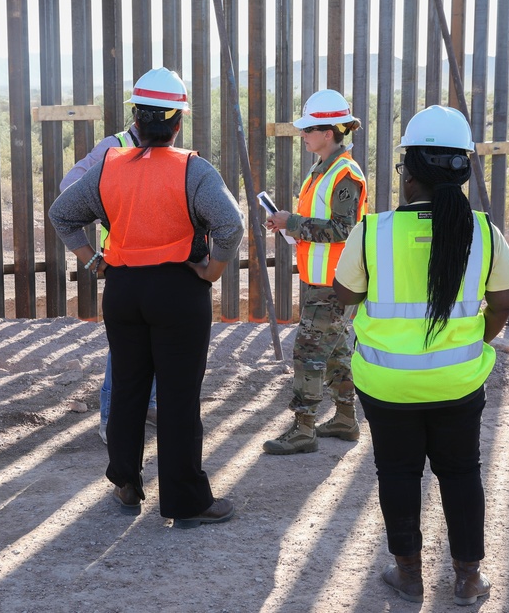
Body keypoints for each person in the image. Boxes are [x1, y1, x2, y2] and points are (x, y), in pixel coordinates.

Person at [332, 105, 509, 605]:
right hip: (458, 382)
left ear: (409, 172)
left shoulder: (373, 232)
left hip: (386, 384)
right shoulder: (483, 231)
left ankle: (408, 574)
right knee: (461, 474)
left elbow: (345, 296)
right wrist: (477, 340)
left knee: (396, 473)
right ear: (461, 171)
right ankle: (467, 578)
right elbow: (505, 300)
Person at [48, 67, 244, 528]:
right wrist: (212, 269)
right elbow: (230, 225)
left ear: (135, 118)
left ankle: (125, 483)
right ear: (178, 122)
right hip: (177, 292)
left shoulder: (108, 167)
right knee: (178, 397)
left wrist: (92, 260)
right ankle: (185, 501)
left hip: (122, 291)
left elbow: (62, 214)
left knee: (129, 389)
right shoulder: (193, 168)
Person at [262, 89, 367, 455]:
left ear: (330, 131)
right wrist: (290, 224)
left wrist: (292, 221)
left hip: (333, 282)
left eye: (309, 129)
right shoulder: (322, 169)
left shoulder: (345, 173)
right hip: (320, 279)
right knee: (336, 352)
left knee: (309, 353)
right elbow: (317, 223)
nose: (303, 134)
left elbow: (343, 228)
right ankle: (345, 419)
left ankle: (303, 428)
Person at [60, 114, 157, 445]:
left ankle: (151, 406)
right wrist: (109, 206)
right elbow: (69, 188)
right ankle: (111, 418)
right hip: (124, 262)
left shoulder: (162, 147)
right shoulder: (114, 147)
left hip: (157, 261)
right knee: (127, 346)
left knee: (155, 340)